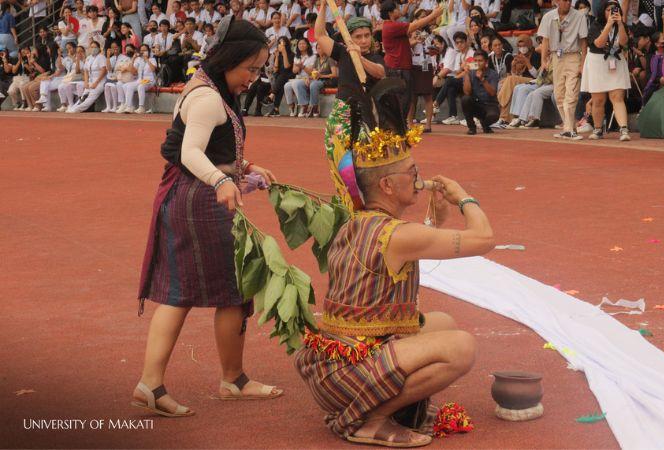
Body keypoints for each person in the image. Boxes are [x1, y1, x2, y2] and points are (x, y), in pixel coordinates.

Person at [296, 74, 493, 447]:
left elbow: (404, 250)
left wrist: (437, 216)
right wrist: (465, 198)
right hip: (348, 372)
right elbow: (484, 239)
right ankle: (368, 418)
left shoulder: (362, 220)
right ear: (386, 186)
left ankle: (390, 406)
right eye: (411, 173)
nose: (419, 178)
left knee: (443, 323)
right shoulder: (398, 234)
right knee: (461, 346)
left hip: (337, 363)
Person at [135, 17, 281, 419]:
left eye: (259, 69)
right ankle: (230, 380)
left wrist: (245, 167)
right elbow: (191, 154)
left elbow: (209, 145)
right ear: (229, 60)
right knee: (233, 288)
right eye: (250, 68)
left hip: (191, 194)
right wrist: (222, 180)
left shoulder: (211, 88)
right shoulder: (208, 97)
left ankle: (155, 383)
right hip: (198, 198)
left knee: (182, 291)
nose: (254, 77)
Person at [314, 0, 386, 123]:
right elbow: (320, 35)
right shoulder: (342, 52)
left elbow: (380, 73)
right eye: (358, 37)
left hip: (368, 110)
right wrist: (324, 6)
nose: (364, 41)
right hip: (343, 109)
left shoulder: (375, 57)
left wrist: (360, 58)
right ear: (349, 39)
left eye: (367, 35)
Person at [380, 0, 443, 117]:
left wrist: (414, 41)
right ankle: (399, 128)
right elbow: (416, 25)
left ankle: (400, 127)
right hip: (398, 68)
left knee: (405, 100)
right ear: (390, 13)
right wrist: (434, 15)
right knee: (402, 100)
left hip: (399, 66)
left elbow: (400, 45)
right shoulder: (393, 26)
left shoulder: (390, 26)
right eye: (397, 9)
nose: (399, 11)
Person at [580, 0, 632, 140]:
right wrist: (609, 24)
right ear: (603, 12)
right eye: (609, 10)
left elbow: (623, 43)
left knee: (617, 97)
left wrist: (620, 23)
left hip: (616, 61)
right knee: (598, 100)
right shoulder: (596, 25)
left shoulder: (622, 25)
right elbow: (599, 43)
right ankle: (597, 129)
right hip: (597, 62)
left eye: (615, 10)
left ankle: (623, 129)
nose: (612, 13)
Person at [538, 0, 589, 140]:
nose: (567, 3)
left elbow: (584, 42)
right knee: (559, 94)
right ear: (556, 1)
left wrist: (583, 63)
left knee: (571, 93)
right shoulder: (548, 16)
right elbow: (545, 40)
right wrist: (543, 60)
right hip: (556, 56)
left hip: (573, 56)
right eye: (564, 0)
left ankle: (568, 129)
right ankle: (570, 128)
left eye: (569, 0)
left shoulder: (579, 16)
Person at [433, 31, 473, 125]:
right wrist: (461, 69)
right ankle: (453, 116)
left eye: (461, 42)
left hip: (470, 81)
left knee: (450, 80)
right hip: (461, 80)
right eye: (457, 43)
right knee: (450, 87)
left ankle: (436, 104)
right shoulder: (458, 55)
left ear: (466, 42)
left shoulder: (471, 53)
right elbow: (457, 71)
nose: (459, 44)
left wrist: (461, 71)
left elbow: (469, 71)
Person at [460, 49, 499, 134]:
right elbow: (467, 92)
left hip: (490, 105)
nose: (477, 63)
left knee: (494, 116)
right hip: (477, 104)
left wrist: (482, 79)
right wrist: (466, 74)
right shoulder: (470, 72)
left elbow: (492, 93)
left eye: (480, 61)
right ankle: (471, 127)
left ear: (486, 62)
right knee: (465, 99)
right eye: (475, 60)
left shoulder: (493, 74)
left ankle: (485, 125)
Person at [67, 40, 107, 112]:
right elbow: (85, 70)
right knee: (84, 95)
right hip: (90, 80)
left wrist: (96, 83)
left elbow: (104, 71)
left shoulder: (101, 57)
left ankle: (78, 109)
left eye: (95, 47)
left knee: (91, 96)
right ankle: (74, 107)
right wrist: (86, 81)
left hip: (100, 80)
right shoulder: (89, 58)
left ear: (99, 48)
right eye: (91, 47)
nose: (93, 49)